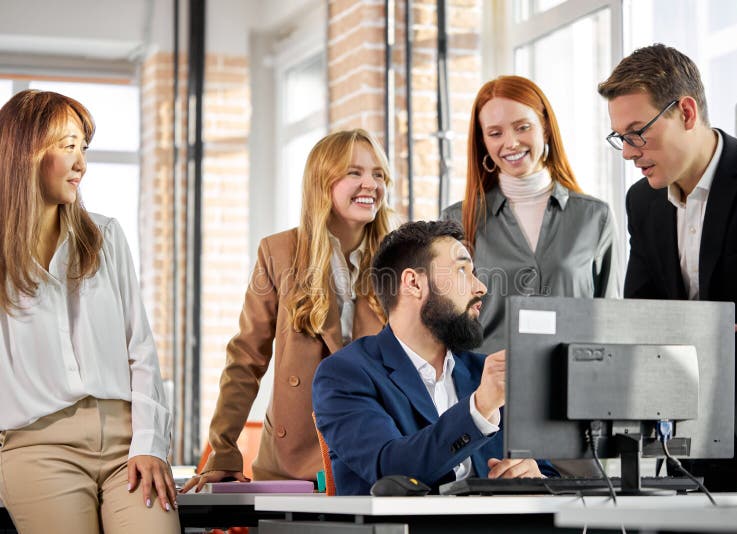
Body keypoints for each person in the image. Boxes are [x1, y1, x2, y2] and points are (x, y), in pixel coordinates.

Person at [598, 43, 737, 493]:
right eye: (620, 138)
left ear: (686, 112)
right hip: (687, 437)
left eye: (637, 132)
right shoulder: (643, 202)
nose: (629, 153)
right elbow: (644, 315)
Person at [0, 90, 179, 533]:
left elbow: (141, 349)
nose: (81, 163)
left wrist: (151, 443)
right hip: (37, 447)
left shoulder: (106, 236)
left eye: (84, 148)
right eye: (67, 146)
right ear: (25, 152)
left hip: (128, 447)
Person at [181, 129, 394, 493]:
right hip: (292, 459)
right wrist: (224, 450)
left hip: (376, 451)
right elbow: (246, 359)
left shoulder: (400, 257)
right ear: (321, 181)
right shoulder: (279, 253)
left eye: (378, 174)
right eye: (354, 173)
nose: (370, 184)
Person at [312, 220, 557, 495]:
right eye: (462, 270)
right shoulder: (345, 374)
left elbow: (547, 476)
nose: (480, 287)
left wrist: (535, 477)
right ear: (414, 283)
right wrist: (478, 409)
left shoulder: (484, 373)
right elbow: (390, 473)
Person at [442, 75, 620, 356]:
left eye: (522, 127)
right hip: (486, 389)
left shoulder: (594, 218)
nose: (511, 143)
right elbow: (448, 322)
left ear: (545, 128)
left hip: (575, 386)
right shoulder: (456, 221)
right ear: (483, 142)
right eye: (495, 133)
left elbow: (611, 323)